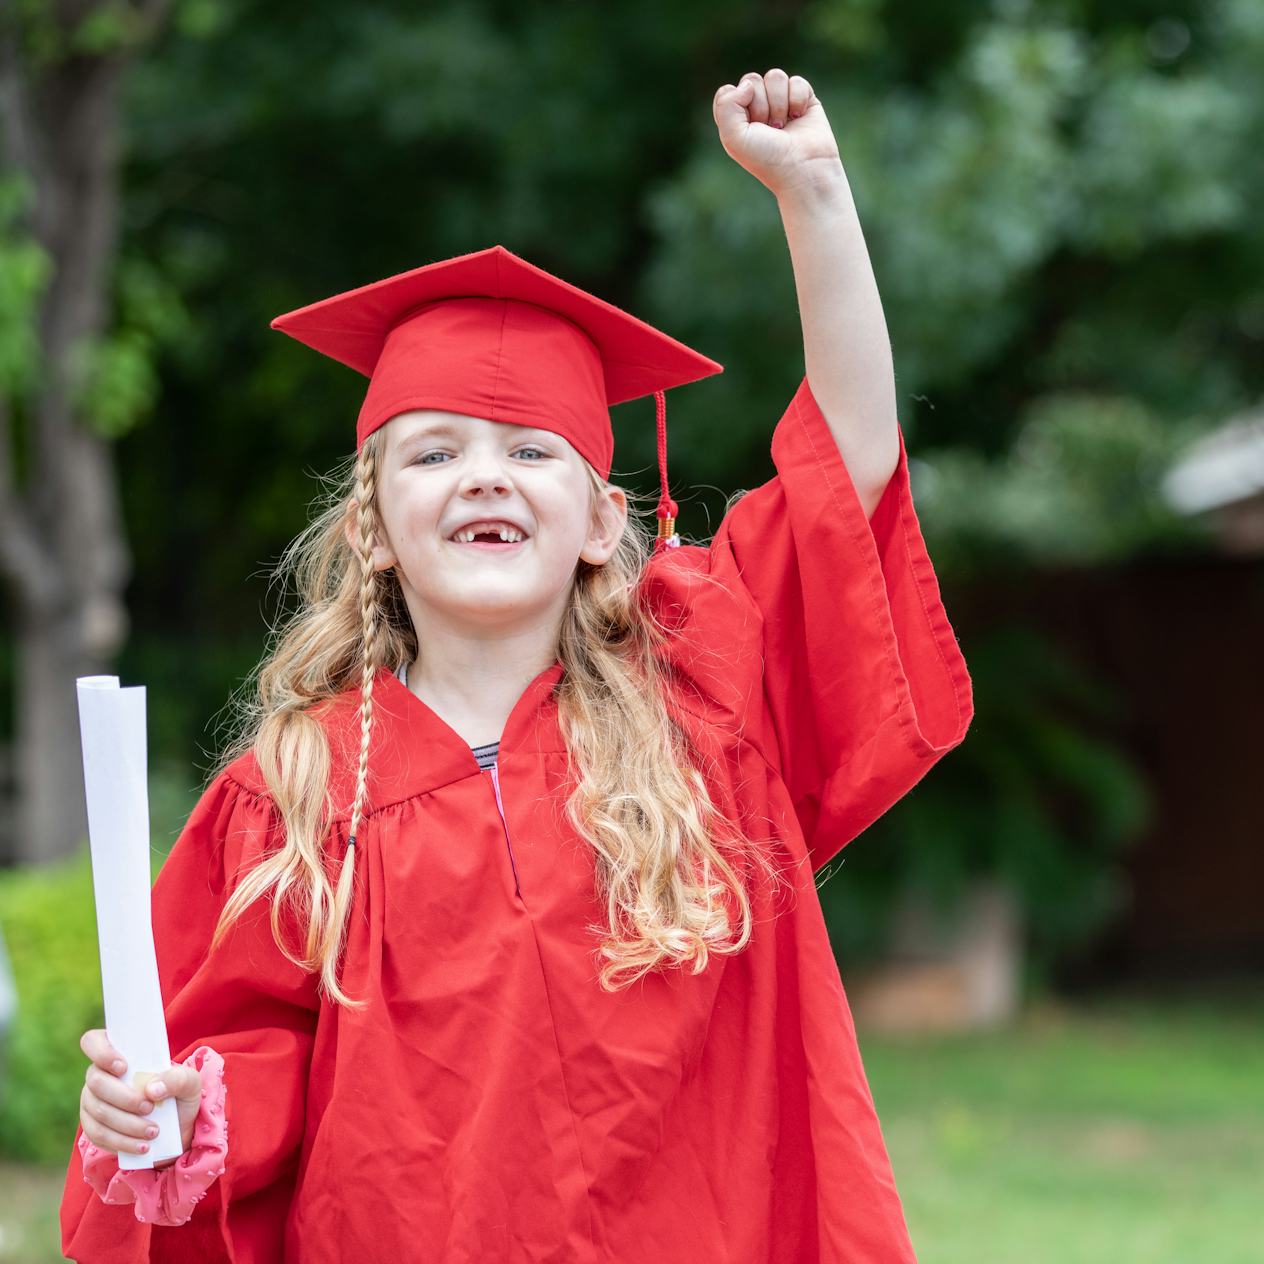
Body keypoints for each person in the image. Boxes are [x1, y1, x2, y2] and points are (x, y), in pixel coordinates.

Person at [61, 70, 974, 1262]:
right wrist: (169, 1113)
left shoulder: (703, 699)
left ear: (600, 522)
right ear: (372, 530)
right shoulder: (292, 791)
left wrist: (814, 199)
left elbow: (843, 475)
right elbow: (232, 1061)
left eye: (530, 450)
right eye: (434, 452)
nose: (484, 475)